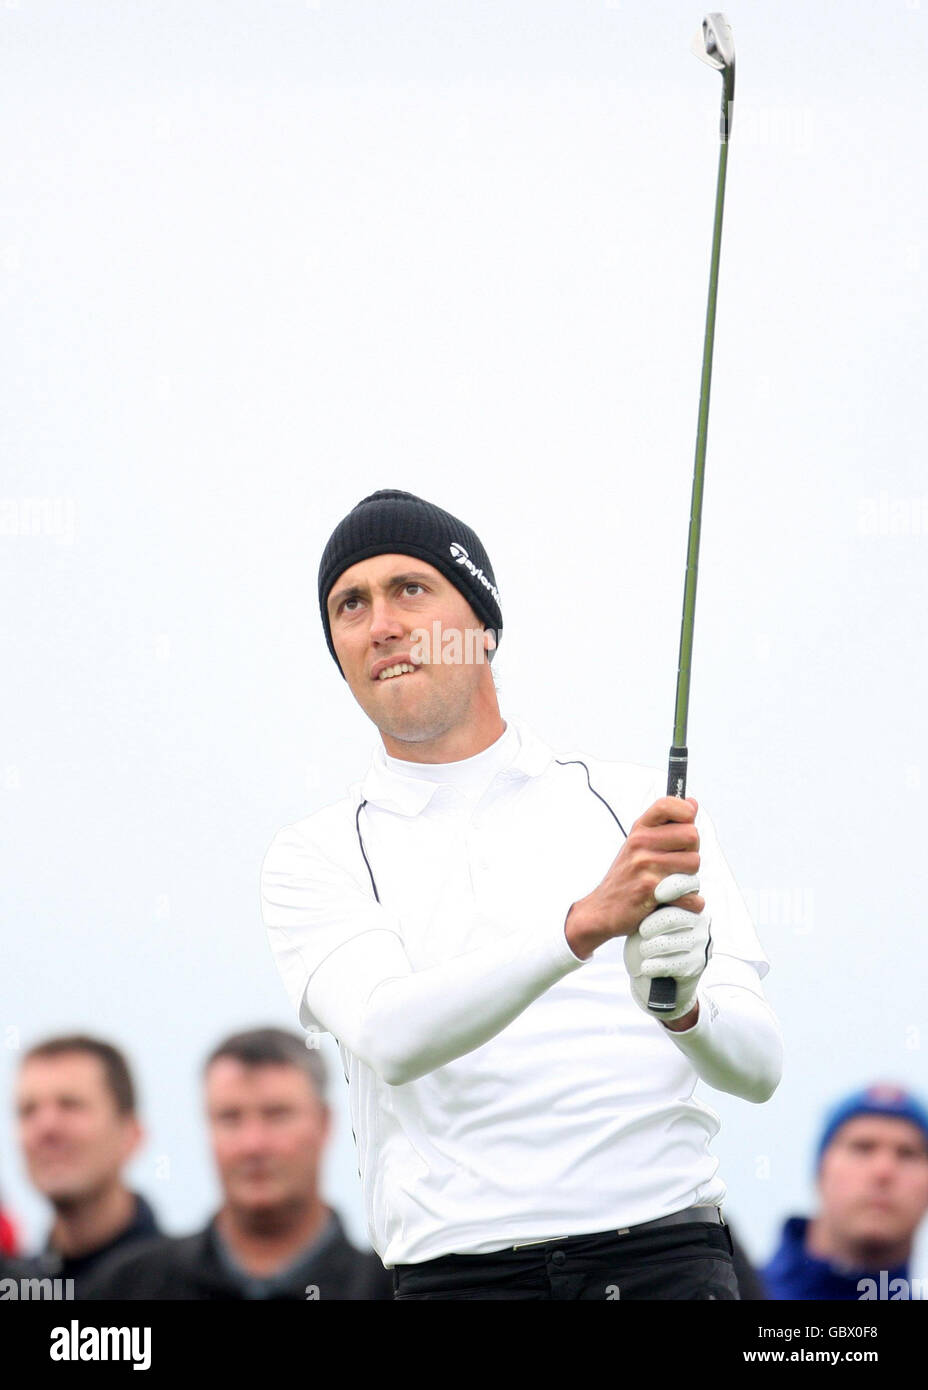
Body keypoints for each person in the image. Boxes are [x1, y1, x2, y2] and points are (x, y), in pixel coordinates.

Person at [261, 488, 783, 1301]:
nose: (381, 624)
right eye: (350, 604)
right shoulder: (315, 853)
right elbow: (391, 1034)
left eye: (410, 588)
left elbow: (758, 1069)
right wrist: (582, 927)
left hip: (664, 1262)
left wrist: (686, 1013)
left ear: (484, 626)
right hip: (460, 1282)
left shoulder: (636, 806)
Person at [84, 1028, 392, 1299]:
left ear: (324, 1123)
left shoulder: (389, 1290)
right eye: (230, 1118)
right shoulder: (127, 1286)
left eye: (276, 1115)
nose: (252, 1144)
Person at [15, 1034, 161, 1293]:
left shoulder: (184, 1284)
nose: (46, 1128)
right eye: (29, 1111)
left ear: (131, 1135)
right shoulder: (17, 1288)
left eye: (70, 1105)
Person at [763, 1084, 928, 1300]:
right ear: (821, 1171)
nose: (883, 1171)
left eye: (907, 1154)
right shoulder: (729, 1290)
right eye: (863, 1147)